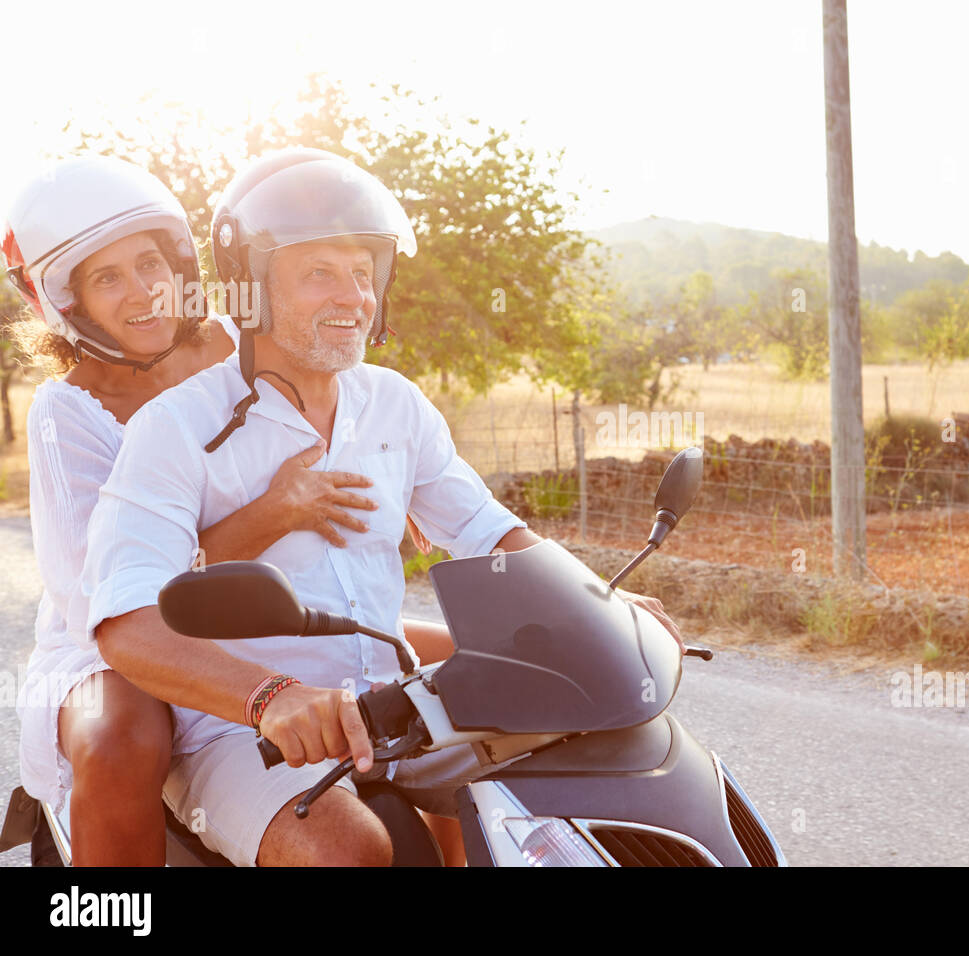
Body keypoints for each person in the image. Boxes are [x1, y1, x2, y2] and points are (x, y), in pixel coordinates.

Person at [83, 147, 682, 866]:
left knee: (559, 802)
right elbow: (127, 623)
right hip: (242, 730)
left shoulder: (395, 405)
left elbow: (491, 534)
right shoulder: (177, 428)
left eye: (363, 274)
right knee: (348, 850)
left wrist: (597, 607)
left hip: (403, 703)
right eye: (319, 274)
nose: (352, 298)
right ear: (251, 286)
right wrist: (272, 696)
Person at [3, 155, 404, 865]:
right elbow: (98, 596)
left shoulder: (240, 342)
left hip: (262, 606)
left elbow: (351, 422)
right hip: (116, 638)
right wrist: (275, 513)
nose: (143, 293)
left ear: (183, 264)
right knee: (123, 732)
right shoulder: (68, 412)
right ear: (68, 302)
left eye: (151, 263)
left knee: (442, 648)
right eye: (107, 277)